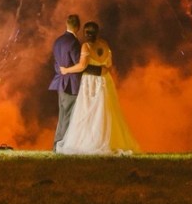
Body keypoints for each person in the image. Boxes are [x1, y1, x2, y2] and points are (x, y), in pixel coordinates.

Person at [58, 21, 139, 154]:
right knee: (105, 110)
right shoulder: (105, 45)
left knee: (88, 110)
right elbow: (108, 65)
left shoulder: (86, 46)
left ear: (86, 33)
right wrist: (101, 70)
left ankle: (91, 141)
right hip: (105, 81)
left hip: (91, 82)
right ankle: (107, 139)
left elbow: (82, 66)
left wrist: (66, 70)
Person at [49, 14, 82, 151]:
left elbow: (56, 63)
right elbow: (78, 64)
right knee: (69, 116)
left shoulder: (58, 41)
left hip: (60, 83)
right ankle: (62, 146)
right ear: (78, 27)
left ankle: (57, 144)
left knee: (62, 115)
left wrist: (61, 71)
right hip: (70, 84)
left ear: (66, 24)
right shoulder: (74, 42)